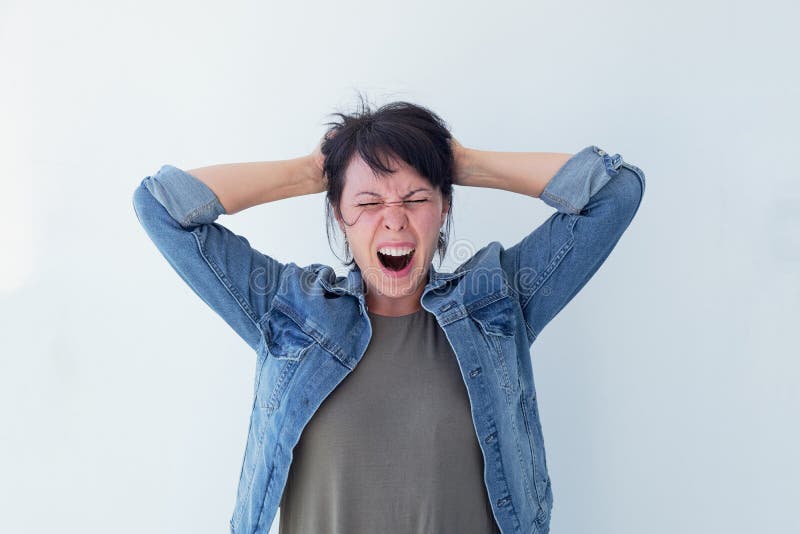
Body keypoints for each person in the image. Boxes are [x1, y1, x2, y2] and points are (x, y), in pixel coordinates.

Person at [131, 97, 646, 534]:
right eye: (369, 201)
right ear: (339, 214)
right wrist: (308, 172)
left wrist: (462, 163)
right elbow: (162, 207)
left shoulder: (496, 303)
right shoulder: (287, 311)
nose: (394, 219)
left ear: (444, 208)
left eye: (417, 197)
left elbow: (614, 192)